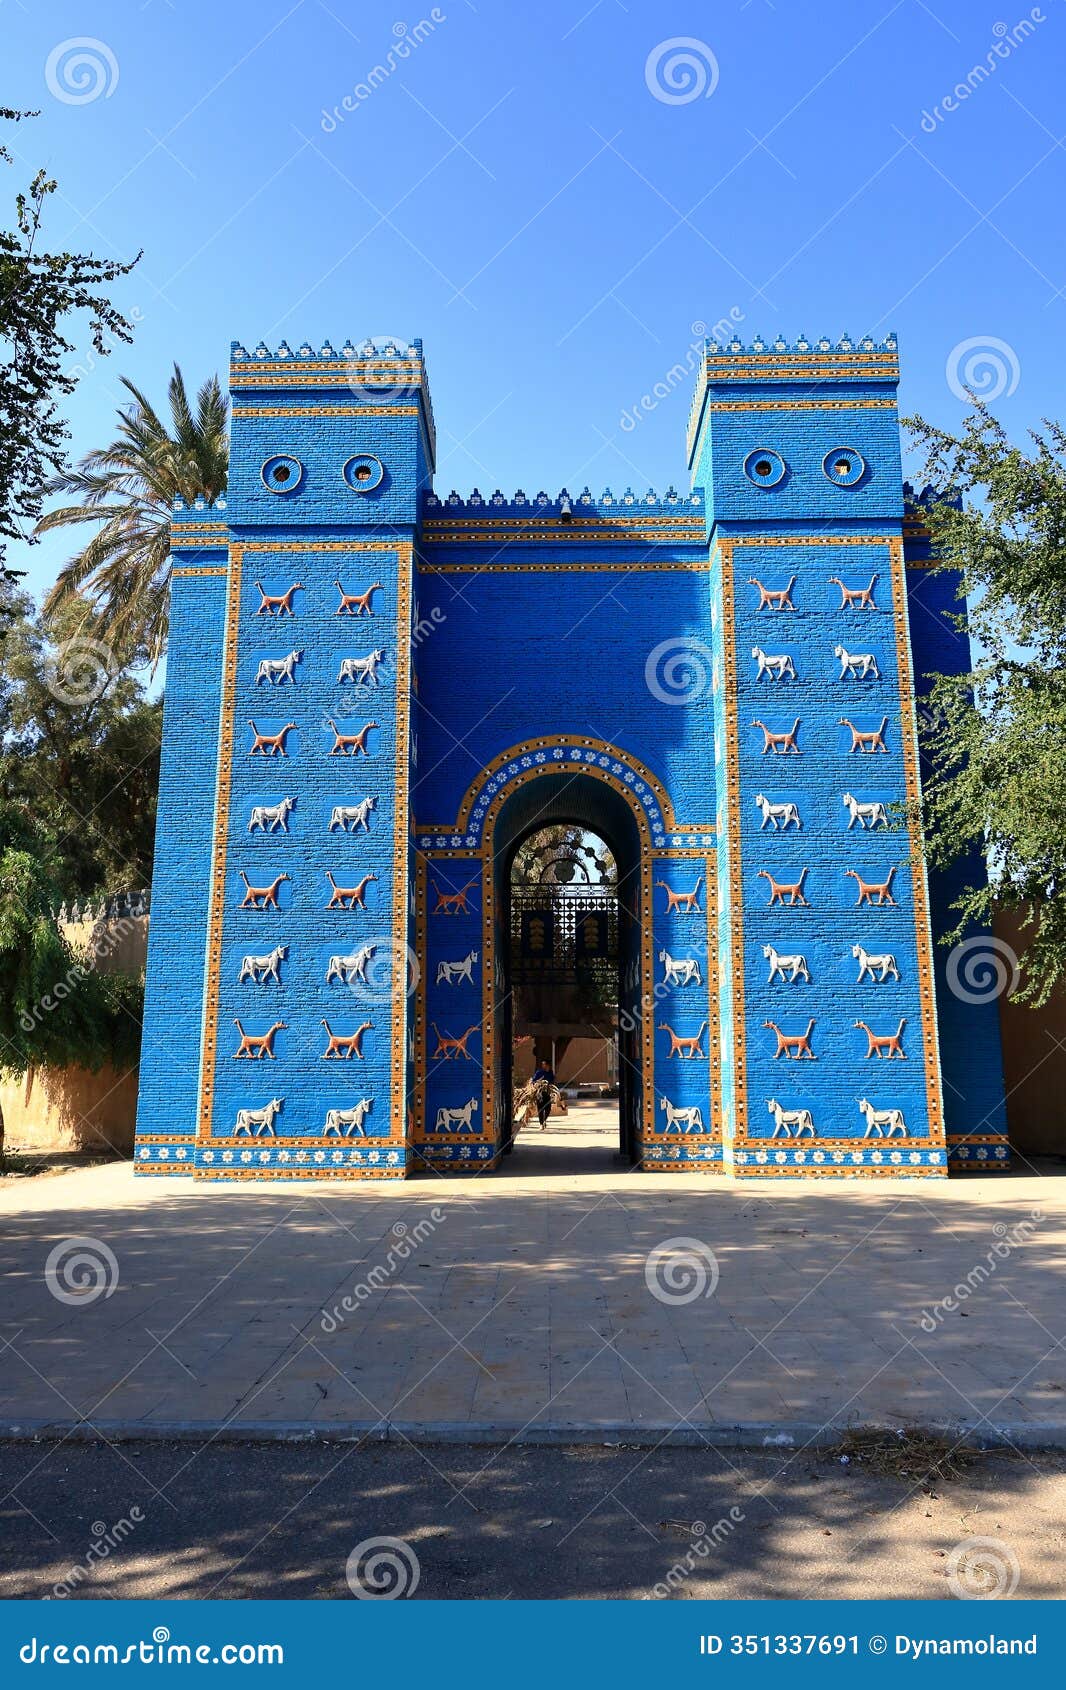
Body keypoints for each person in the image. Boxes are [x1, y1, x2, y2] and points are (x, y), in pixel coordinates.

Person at [531, 1061, 556, 1129]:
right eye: (543, 1065)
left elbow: (552, 1081)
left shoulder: (550, 1073)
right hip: (540, 1093)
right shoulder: (539, 1072)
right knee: (540, 1109)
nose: (544, 1066)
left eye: (545, 1065)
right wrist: (539, 1083)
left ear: (548, 1065)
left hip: (548, 1093)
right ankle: (541, 1124)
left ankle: (545, 1120)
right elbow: (533, 1081)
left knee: (548, 1108)